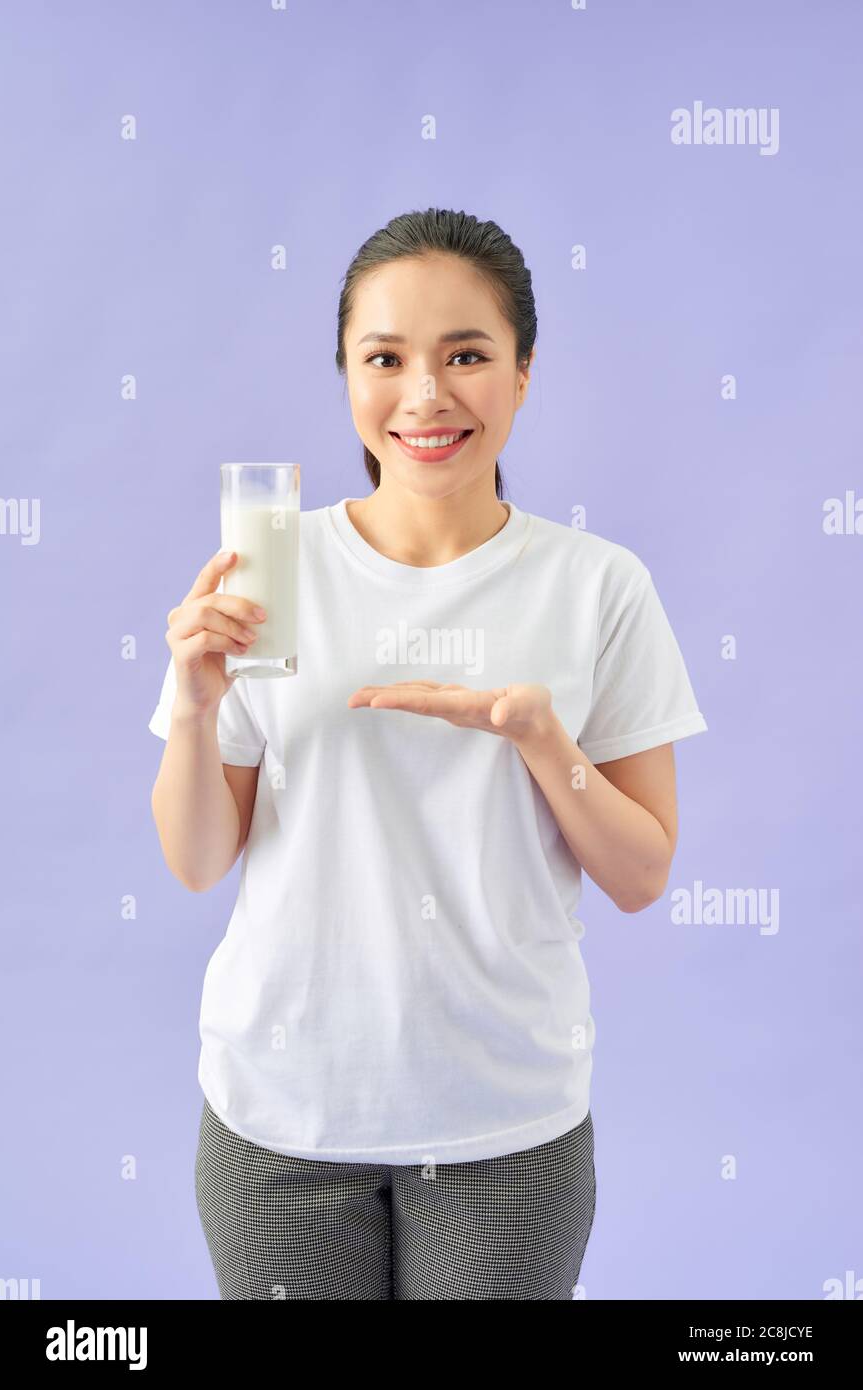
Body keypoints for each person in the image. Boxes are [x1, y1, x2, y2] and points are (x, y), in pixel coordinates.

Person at [148, 208, 708, 1300]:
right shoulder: (271, 564)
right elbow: (198, 859)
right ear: (346, 374)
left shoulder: (598, 585)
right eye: (386, 357)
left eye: (468, 355)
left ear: (524, 372)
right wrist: (193, 704)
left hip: (507, 1125)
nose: (427, 394)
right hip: (283, 1117)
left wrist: (546, 742)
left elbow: (642, 874)